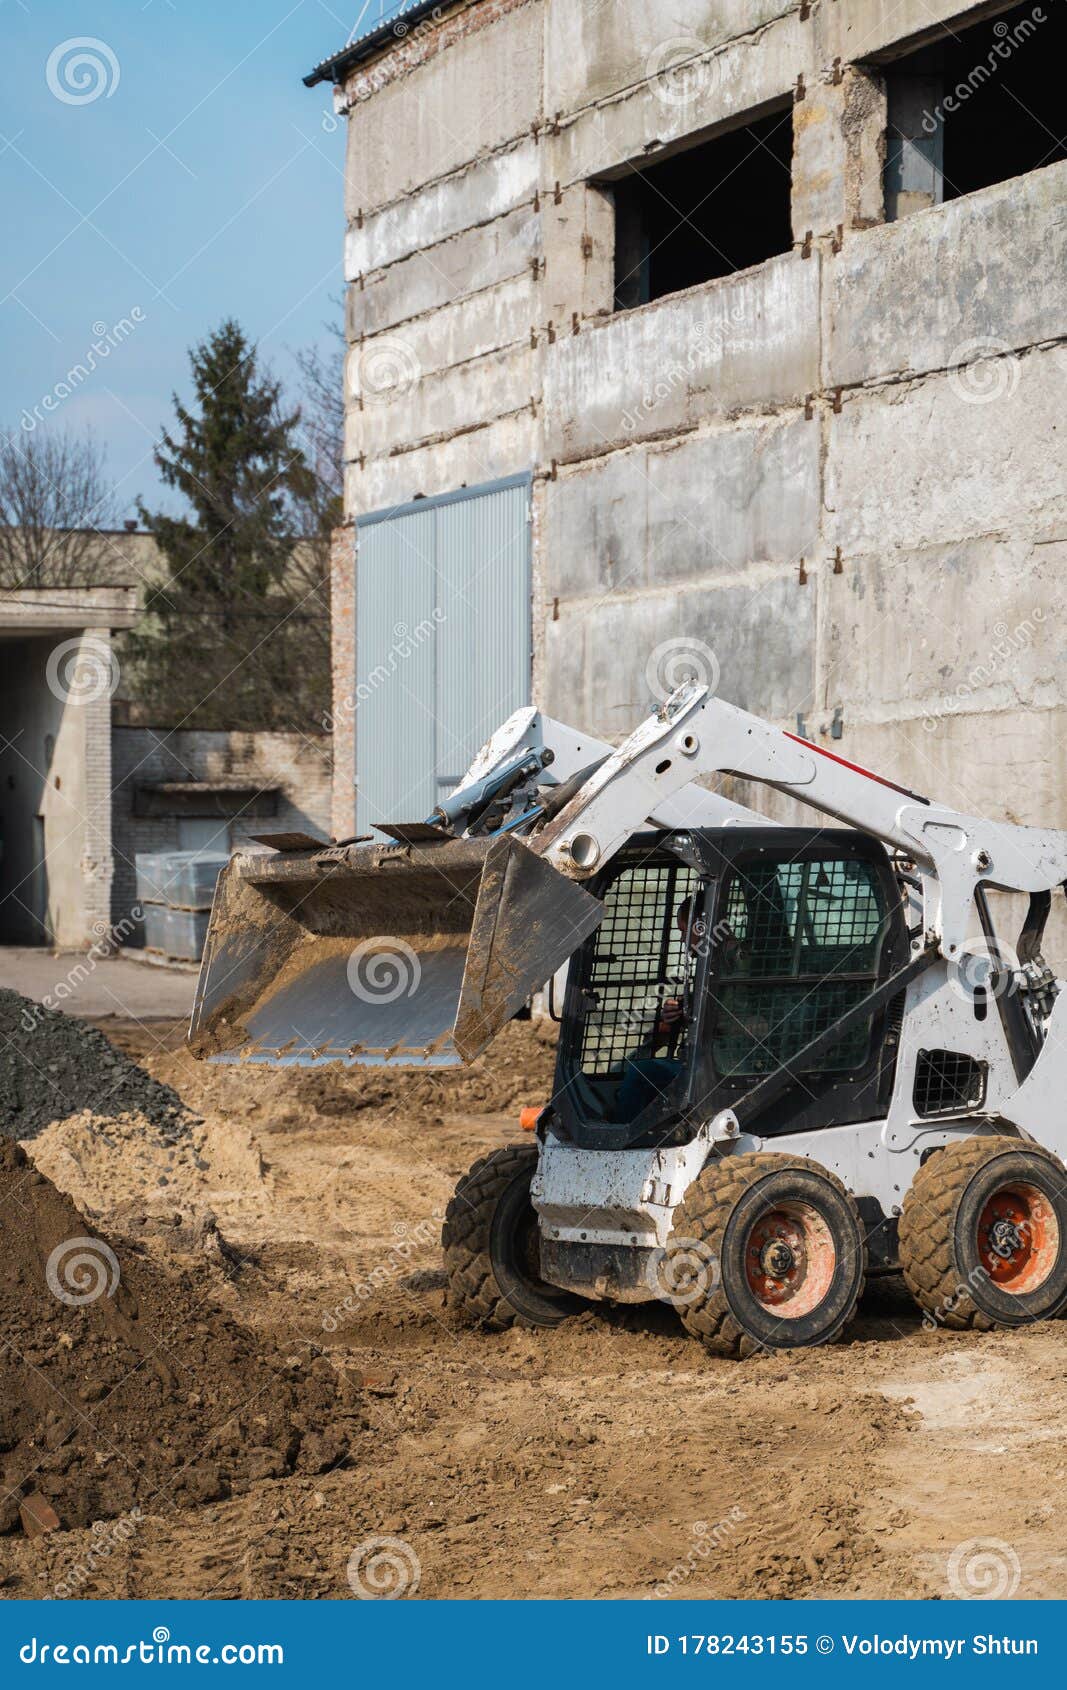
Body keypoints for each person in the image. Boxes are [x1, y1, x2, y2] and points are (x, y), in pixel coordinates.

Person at [613, 893, 704, 1122]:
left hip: (713, 1068)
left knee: (640, 1072)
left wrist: (691, 1012)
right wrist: (682, 1012)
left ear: (701, 926)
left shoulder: (733, 964)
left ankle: (620, 1137)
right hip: (701, 1062)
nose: (683, 939)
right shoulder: (709, 965)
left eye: (685, 931)